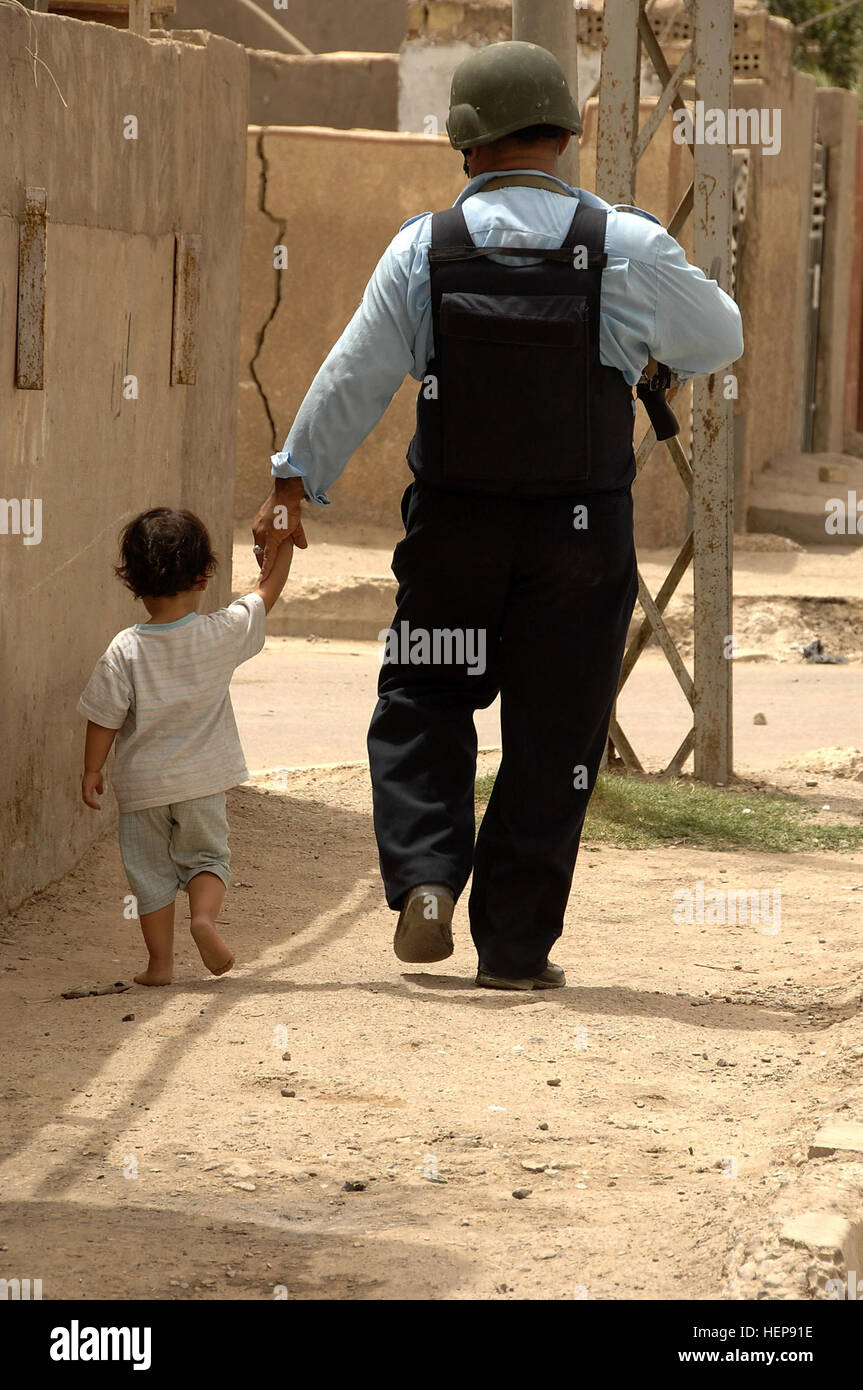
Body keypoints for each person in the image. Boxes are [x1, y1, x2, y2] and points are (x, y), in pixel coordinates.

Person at [252, 40, 743, 990]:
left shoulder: (422, 249)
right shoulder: (625, 245)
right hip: (579, 541)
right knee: (556, 733)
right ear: (567, 133)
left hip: (454, 533)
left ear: (463, 142)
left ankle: (427, 879)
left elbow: (351, 376)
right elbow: (717, 333)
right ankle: (513, 949)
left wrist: (291, 483)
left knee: (425, 699)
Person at [78, 507, 294, 985]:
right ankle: (204, 920)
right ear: (202, 576)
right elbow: (266, 593)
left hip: (142, 789)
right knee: (207, 859)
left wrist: (92, 770)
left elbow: (103, 717)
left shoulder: (125, 648)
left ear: (133, 580)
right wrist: (282, 546)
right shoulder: (220, 633)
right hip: (201, 783)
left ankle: (159, 965)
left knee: (150, 877)